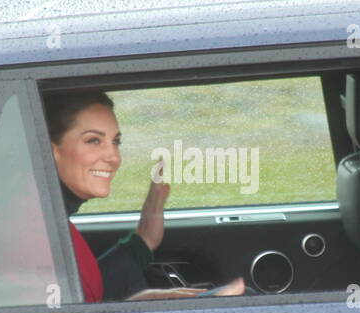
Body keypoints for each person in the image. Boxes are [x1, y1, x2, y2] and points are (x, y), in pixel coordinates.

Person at [44, 91, 245, 301]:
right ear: (51, 150)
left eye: (116, 142)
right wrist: (134, 307)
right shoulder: (32, 232)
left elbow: (81, 297)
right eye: (94, 140)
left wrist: (144, 240)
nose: (113, 157)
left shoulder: (49, 220)